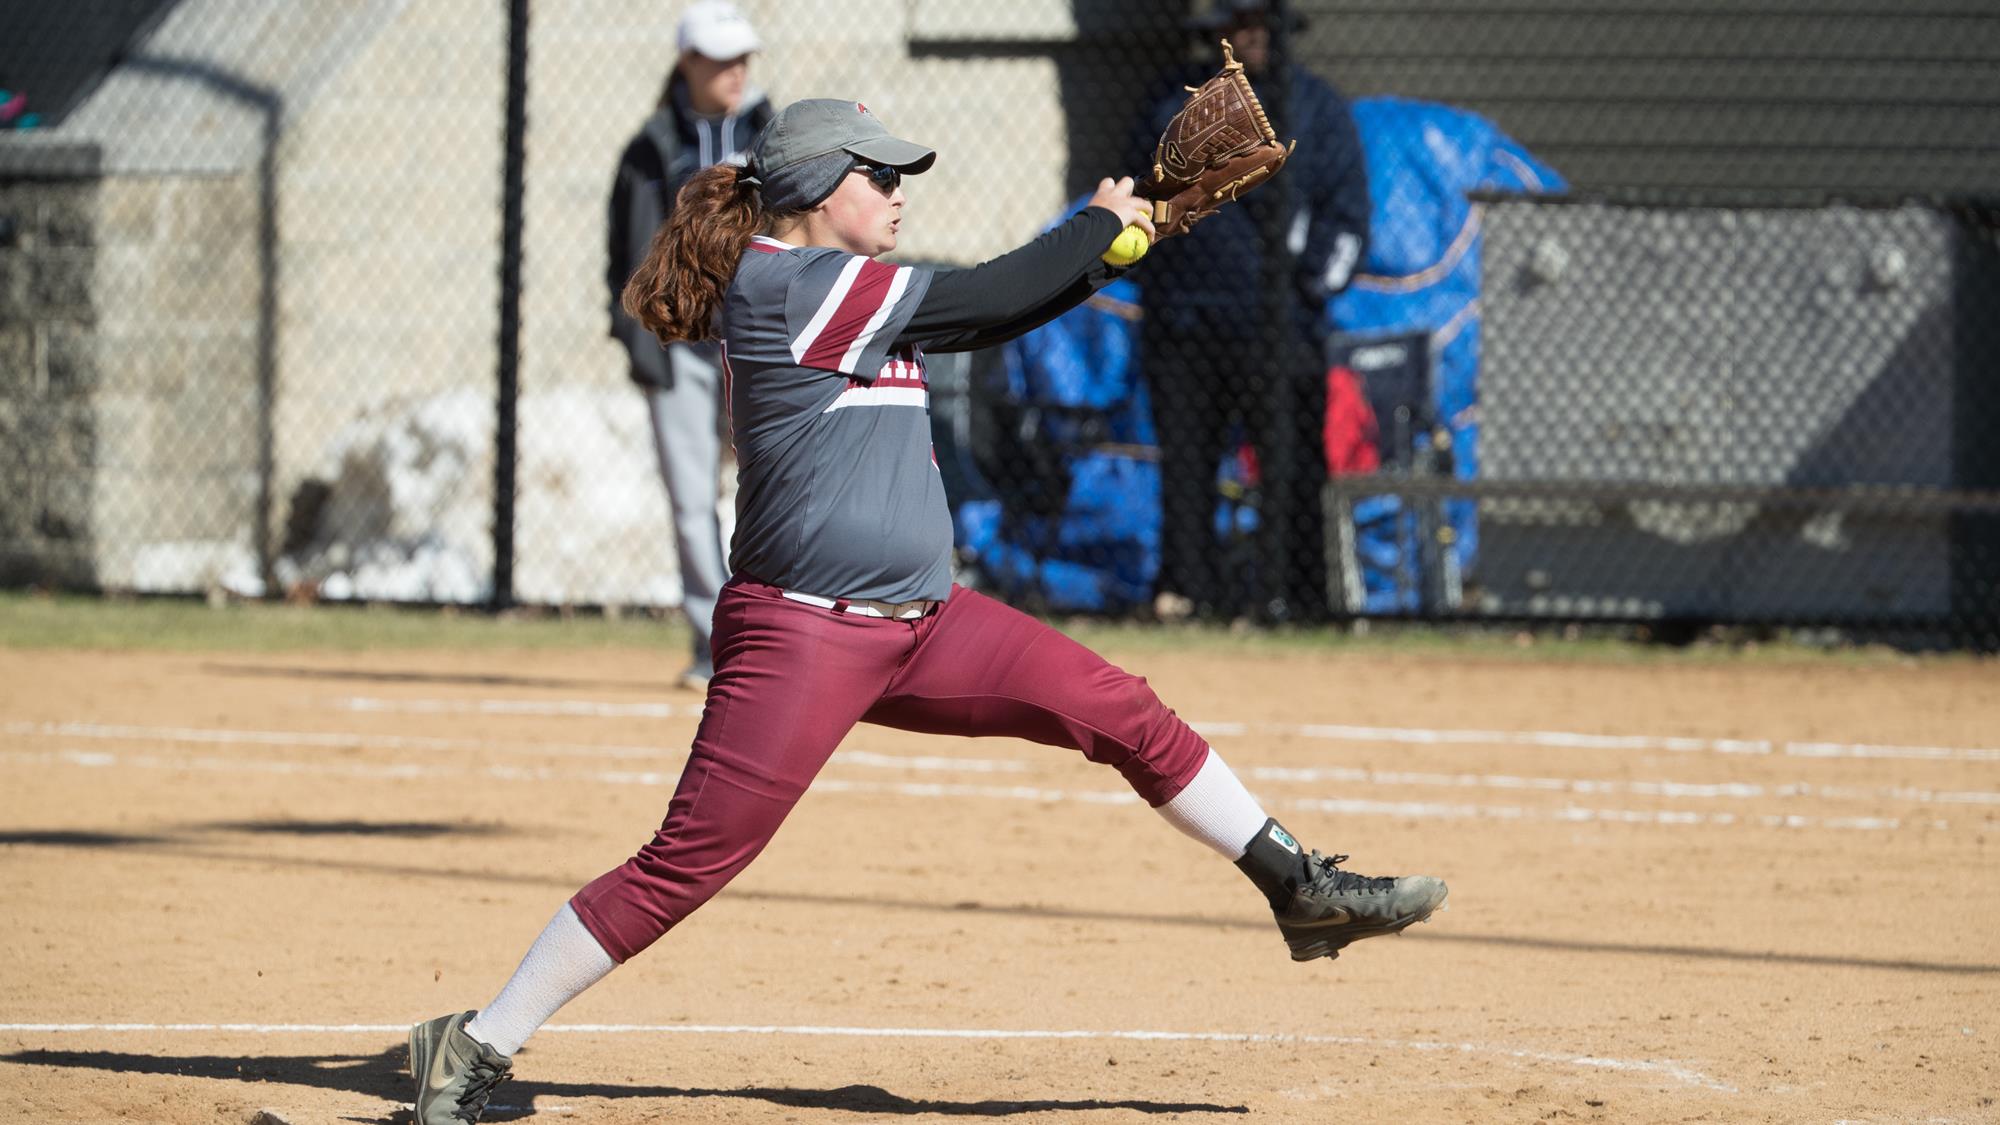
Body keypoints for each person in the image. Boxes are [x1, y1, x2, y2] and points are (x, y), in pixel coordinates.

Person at [409, 97, 1445, 1124]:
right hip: (803, 635)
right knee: (687, 862)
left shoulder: (838, 285)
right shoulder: (788, 284)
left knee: (1123, 710)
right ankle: (475, 1045)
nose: (900, 194)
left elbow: (995, 309)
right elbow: (985, 292)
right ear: (817, 190)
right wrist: (1099, 229)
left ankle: (1294, 885)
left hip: (925, 624)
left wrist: (1120, 243)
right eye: (880, 176)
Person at [1131, 0, 1370, 622]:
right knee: (1186, 468)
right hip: (1186, 324)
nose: (1252, 38)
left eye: (1264, 27)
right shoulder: (1175, 105)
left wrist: (1310, 285)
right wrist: (1158, 281)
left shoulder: (1316, 108)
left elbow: (1347, 219)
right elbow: (1144, 200)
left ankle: (1293, 598)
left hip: (1281, 328)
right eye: (1239, 27)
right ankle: (1188, 593)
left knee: (1292, 467)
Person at [607, 0, 774, 691]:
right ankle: (714, 644)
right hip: (681, 348)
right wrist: (642, 341)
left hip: (761, 343)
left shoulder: (776, 135)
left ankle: (770, 637)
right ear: (687, 62)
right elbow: (624, 254)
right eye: (719, 58)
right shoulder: (650, 147)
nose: (734, 71)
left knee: (767, 488)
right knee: (688, 498)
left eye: (742, 58)